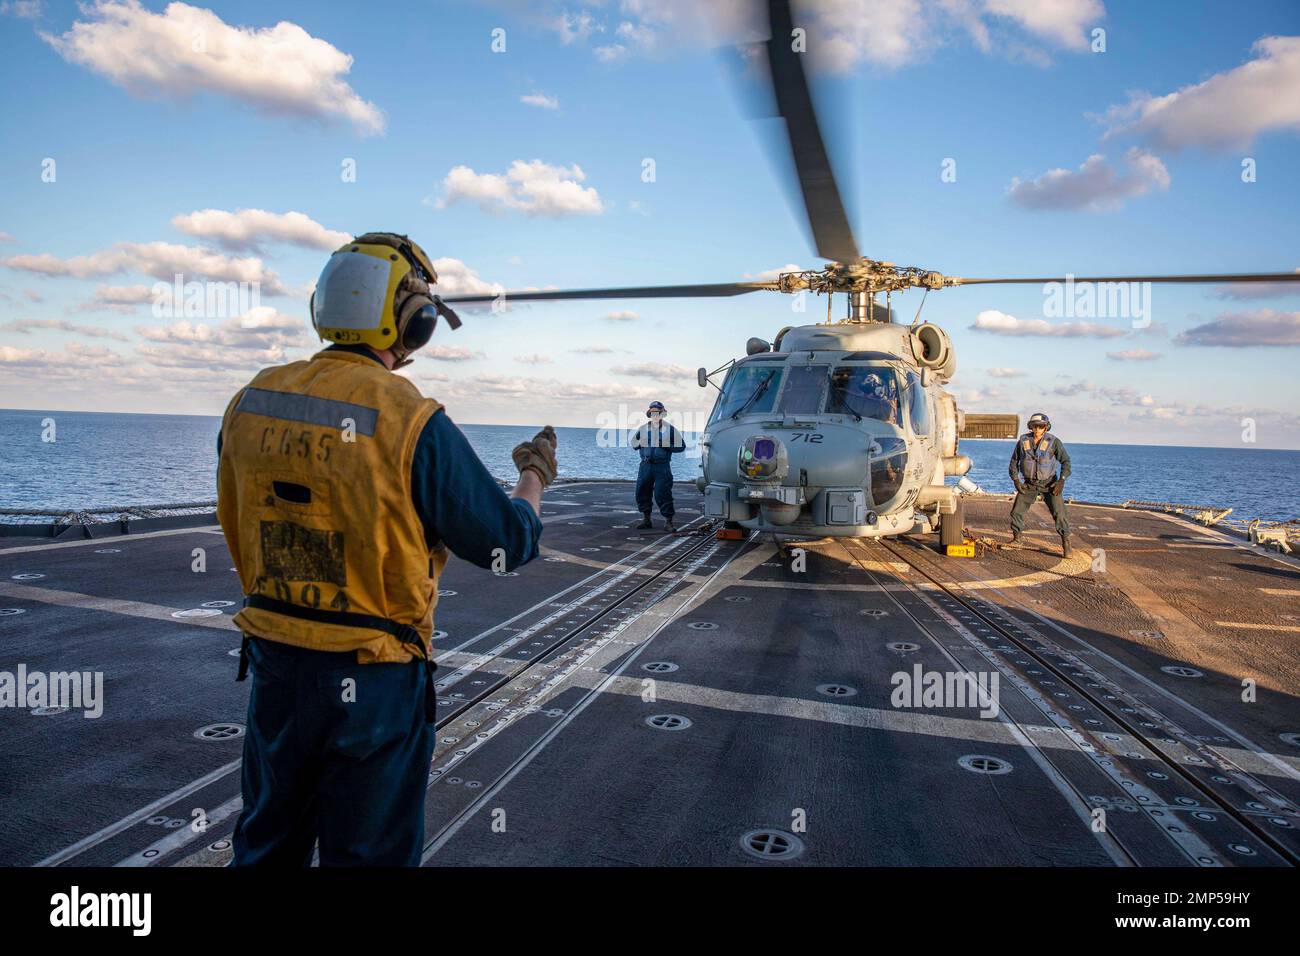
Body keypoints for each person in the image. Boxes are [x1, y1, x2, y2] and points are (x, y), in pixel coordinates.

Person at [216, 232, 558, 866]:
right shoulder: (408, 416)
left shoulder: (250, 401)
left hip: (276, 665)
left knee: (265, 844)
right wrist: (534, 475)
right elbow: (505, 544)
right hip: (373, 675)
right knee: (369, 855)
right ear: (413, 321)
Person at [1008, 411, 1072, 556]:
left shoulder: (1054, 442)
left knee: (1060, 514)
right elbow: (1013, 462)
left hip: (1050, 484)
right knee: (1016, 512)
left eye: (1040, 426)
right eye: (1034, 426)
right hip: (1029, 484)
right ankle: (1017, 538)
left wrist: (1061, 481)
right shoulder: (1023, 441)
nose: (1037, 429)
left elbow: (1066, 461)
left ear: (1046, 427)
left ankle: (1066, 543)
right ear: (1030, 427)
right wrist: (1016, 480)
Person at [631, 400, 686, 531]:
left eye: (658, 413)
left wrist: (666, 445)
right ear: (649, 414)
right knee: (642, 491)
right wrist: (640, 443)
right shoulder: (643, 429)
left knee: (663, 493)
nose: (655, 415)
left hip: (662, 466)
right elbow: (633, 444)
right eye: (653, 413)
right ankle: (646, 519)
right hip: (645, 465)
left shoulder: (670, 430)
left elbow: (681, 447)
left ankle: (668, 522)